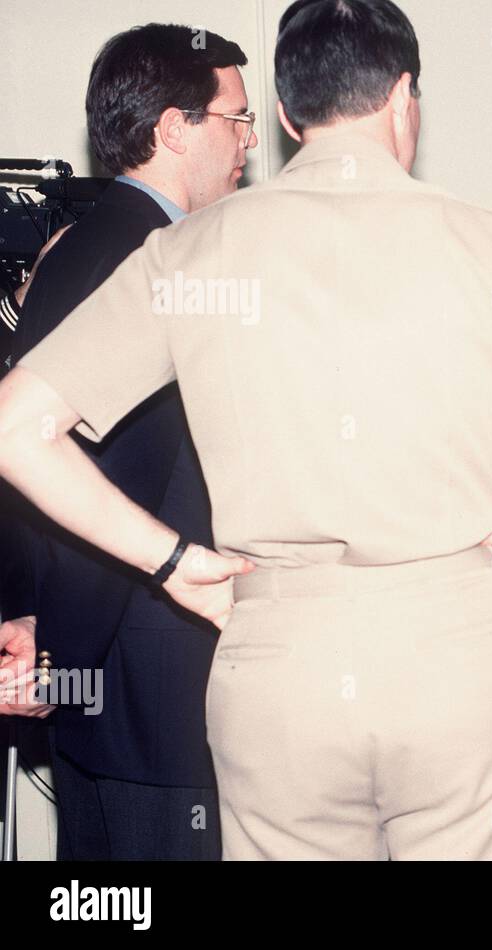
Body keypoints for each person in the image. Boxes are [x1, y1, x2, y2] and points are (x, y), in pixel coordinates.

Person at [0, 0, 492, 860]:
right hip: (458, 647)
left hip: (277, 657)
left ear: (291, 116)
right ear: (405, 97)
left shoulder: (194, 250)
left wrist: (172, 562)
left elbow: (18, 427)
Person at [0, 23, 256, 860]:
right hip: (154, 681)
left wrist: (34, 626)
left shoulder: (71, 247)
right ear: (176, 128)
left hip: (95, 679)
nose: (249, 143)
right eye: (237, 120)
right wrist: (55, 654)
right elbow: (119, 473)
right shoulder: (159, 264)